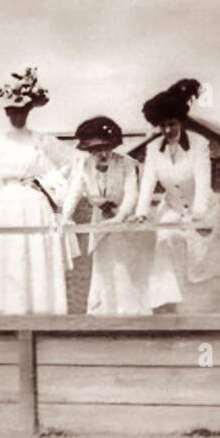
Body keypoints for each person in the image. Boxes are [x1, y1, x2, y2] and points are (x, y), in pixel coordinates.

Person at [0, 68, 71, 314]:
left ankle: (42, 309)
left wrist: (49, 182)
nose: (17, 116)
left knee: (36, 253)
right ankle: (8, 311)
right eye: (12, 111)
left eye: (22, 110)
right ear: (6, 112)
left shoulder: (41, 140)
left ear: (30, 110)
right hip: (8, 204)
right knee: (10, 253)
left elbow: (71, 163)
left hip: (36, 203)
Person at [59, 115, 177, 316]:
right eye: (95, 150)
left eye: (105, 148)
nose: (101, 154)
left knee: (125, 267)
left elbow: (132, 194)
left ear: (113, 146)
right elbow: (74, 193)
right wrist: (63, 217)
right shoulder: (83, 166)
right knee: (105, 267)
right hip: (101, 222)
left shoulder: (126, 164)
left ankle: (131, 313)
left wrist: (119, 217)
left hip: (126, 219)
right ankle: (105, 312)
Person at [129, 79, 220, 307]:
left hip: (202, 206)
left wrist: (199, 215)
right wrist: (141, 212)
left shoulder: (199, 144)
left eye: (171, 124)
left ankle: (202, 307)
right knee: (164, 243)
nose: (168, 130)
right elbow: (148, 181)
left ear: (180, 121)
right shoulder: (153, 148)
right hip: (172, 208)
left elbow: (202, 180)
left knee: (199, 258)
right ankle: (166, 304)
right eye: (162, 126)